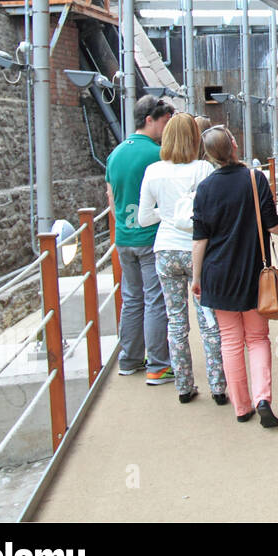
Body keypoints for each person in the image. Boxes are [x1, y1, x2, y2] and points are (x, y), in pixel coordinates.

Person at [191, 126, 278, 427]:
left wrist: (195, 277)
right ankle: (263, 398)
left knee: (229, 341)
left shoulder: (204, 189)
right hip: (254, 273)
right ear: (232, 145)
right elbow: (272, 224)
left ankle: (241, 407)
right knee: (257, 338)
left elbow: (199, 239)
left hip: (217, 274)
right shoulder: (255, 179)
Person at [137, 114, 227, 405]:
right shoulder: (202, 169)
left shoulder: (152, 171)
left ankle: (184, 386)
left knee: (175, 321)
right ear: (193, 138)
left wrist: (169, 216)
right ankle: (217, 386)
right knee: (209, 320)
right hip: (197, 250)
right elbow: (211, 211)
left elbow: (143, 218)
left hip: (164, 249)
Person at [106, 95, 176, 384]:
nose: (166, 128)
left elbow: (111, 199)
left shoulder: (115, 154)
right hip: (150, 236)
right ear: (150, 119)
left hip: (124, 236)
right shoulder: (156, 155)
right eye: (164, 122)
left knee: (131, 299)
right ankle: (158, 365)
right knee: (155, 299)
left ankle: (129, 359)